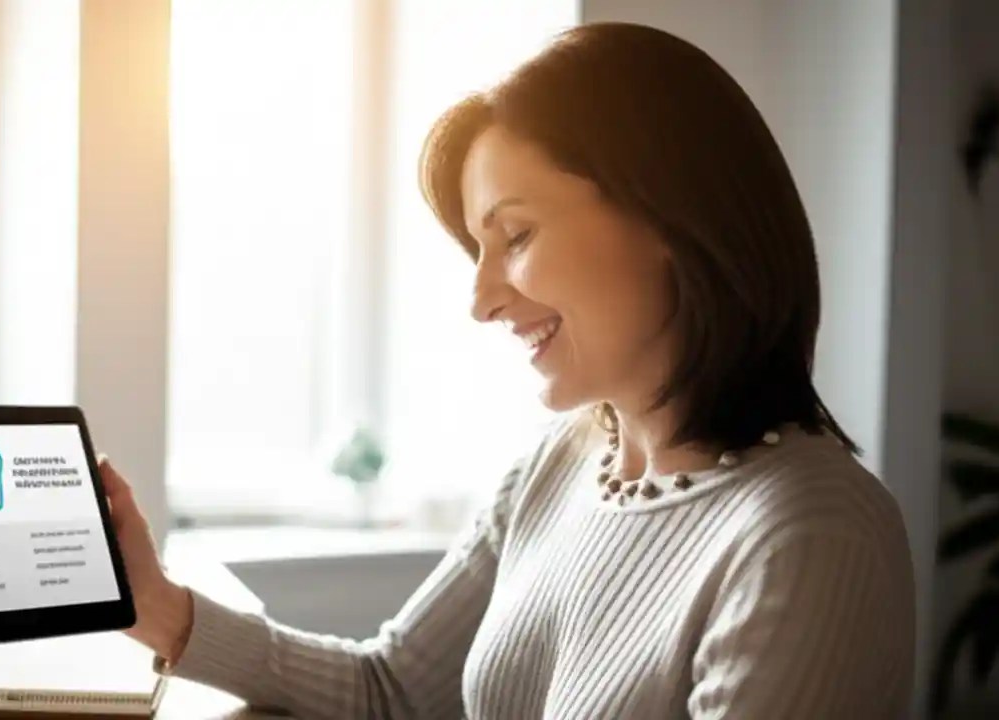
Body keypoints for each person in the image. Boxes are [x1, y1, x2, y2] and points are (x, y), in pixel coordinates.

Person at [100, 22, 916, 719]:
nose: (483, 300)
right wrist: (158, 607)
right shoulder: (559, 465)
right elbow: (391, 691)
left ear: (667, 215)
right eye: (478, 250)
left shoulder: (809, 538)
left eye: (516, 237)